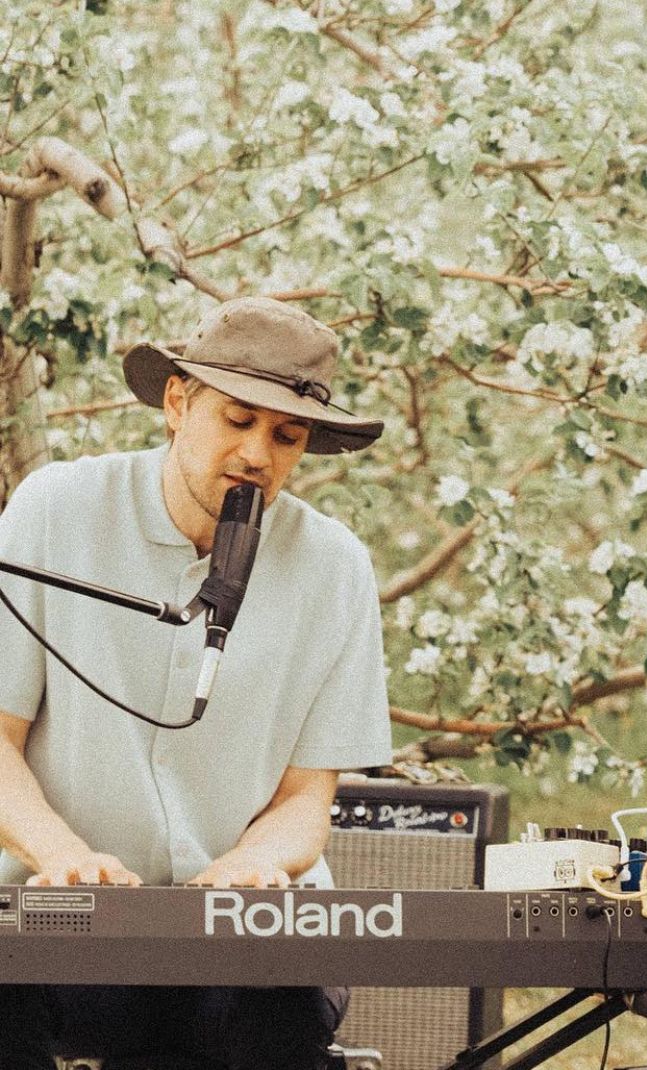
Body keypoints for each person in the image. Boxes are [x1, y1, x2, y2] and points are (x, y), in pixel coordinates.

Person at [0, 296, 393, 1069]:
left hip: (239, 947)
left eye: (287, 436)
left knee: (269, 1016)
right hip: (52, 927)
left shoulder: (335, 565)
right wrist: (65, 857)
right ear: (178, 403)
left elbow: (305, 800)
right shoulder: (54, 510)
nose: (258, 453)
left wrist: (251, 865)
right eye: (238, 419)